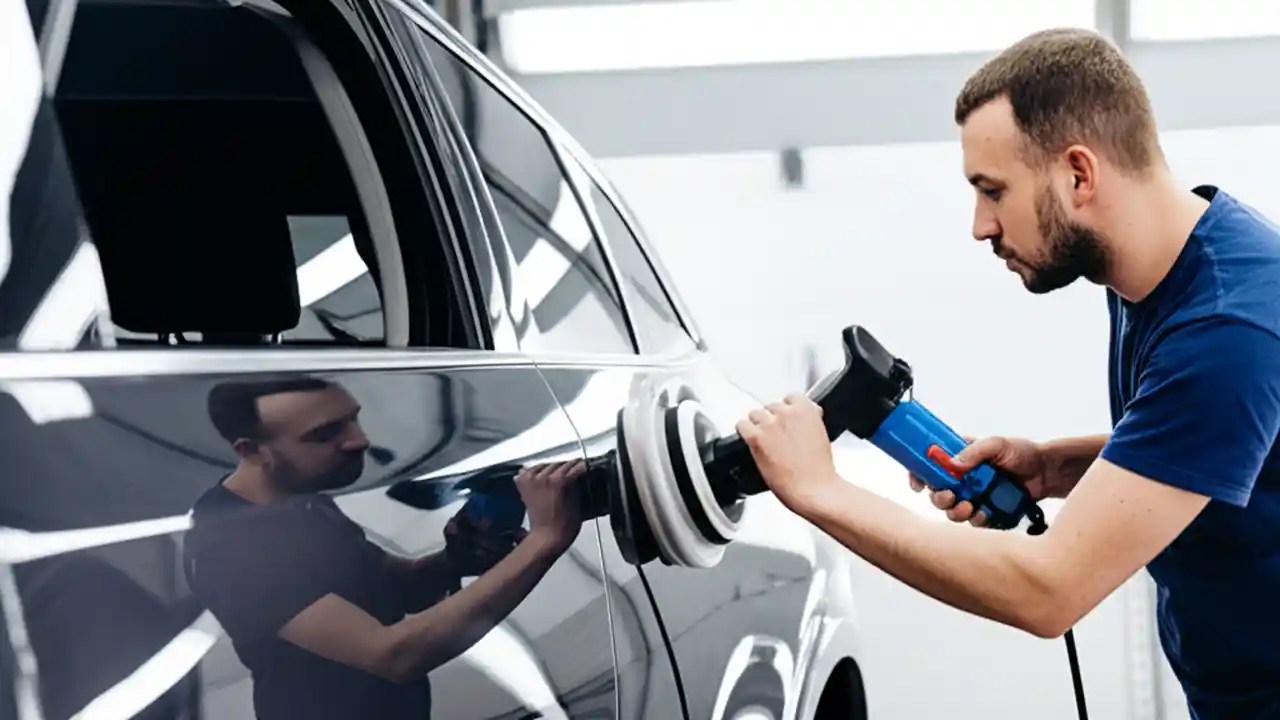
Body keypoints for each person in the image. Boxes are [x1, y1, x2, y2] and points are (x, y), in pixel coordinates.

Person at [738, 28, 1280, 720]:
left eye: (993, 191)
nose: (979, 225)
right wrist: (1061, 467)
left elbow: (1048, 591)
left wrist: (820, 492)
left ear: (1078, 175)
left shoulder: (1226, 329)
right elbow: (1231, 452)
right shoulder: (1173, 270)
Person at [183, 376, 584, 719]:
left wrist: (452, 561)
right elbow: (393, 655)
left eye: (352, 419)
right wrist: (546, 539)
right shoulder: (232, 547)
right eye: (325, 434)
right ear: (251, 451)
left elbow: (388, 584)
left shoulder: (298, 495)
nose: (359, 441)